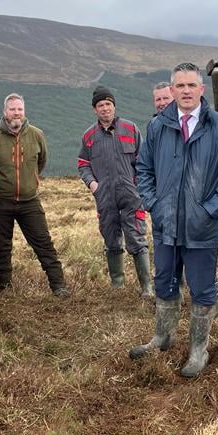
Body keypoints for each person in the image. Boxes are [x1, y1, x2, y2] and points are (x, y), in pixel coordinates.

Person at [131, 62, 218, 377]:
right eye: (179, 86)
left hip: (202, 226)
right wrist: (154, 203)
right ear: (171, 90)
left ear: (201, 89)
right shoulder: (157, 126)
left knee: (202, 288)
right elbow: (144, 169)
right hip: (166, 224)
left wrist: (211, 208)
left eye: (191, 85)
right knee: (164, 280)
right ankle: (163, 337)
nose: (185, 91)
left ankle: (198, 350)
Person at [0, 93, 70, 297]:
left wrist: (30, 182)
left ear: (24, 111)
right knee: (2, 246)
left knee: (44, 243)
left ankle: (59, 286)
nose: (16, 113)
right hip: (0, 201)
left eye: (19, 109)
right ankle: (6, 288)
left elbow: (41, 162)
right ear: (5, 112)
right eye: (12, 109)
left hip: (29, 201)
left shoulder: (37, 135)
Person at [77, 85, 153, 298]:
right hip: (105, 197)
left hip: (131, 195)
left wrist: (138, 186)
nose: (105, 108)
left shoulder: (130, 129)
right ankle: (117, 285)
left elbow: (143, 160)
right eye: (100, 105)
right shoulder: (89, 136)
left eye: (108, 104)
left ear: (114, 106)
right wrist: (93, 184)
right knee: (110, 239)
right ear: (95, 110)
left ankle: (146, 287)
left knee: (137, 237)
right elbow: (83, 163)